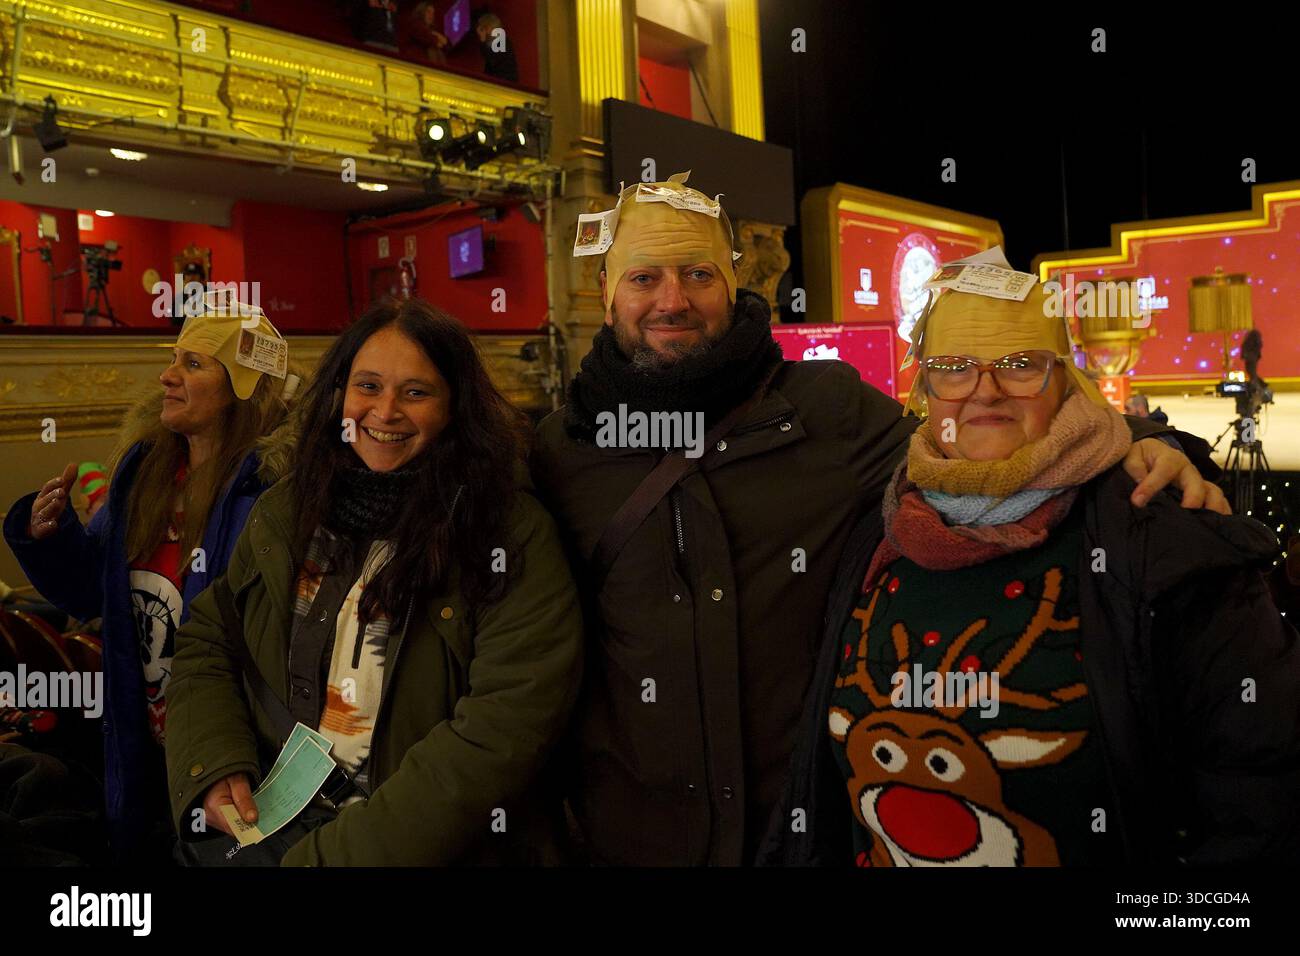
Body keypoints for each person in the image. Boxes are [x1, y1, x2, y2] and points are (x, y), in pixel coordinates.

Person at [530, 174, 1228, 866]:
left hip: (803, 834)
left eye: (698, 274)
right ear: (605, 290)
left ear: (733, 283)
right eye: (644, 278)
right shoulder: (562, 452)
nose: (673, 300)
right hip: (628, 841)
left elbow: (985, 446)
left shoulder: (827, 411)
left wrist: (1146, 442)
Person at [760, 285, 1300, 866]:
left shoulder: (1160, 540)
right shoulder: (878, 530)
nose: (985, 389)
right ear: (923, 390)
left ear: (1065, 381)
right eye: (954, 367)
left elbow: (1267, 800)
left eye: (1021, 365)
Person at [165, 298, 582, 865]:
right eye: (368, 386)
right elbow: (210, 639)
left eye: (416, 392)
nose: (385, 412)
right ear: (340, 394)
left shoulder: (508, 531)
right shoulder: (288, 507)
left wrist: (335, 857)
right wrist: (213, 763)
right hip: (275, 824)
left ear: (455, 407)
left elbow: (503, 730)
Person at [3, 303, 300, 863]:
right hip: (141, 735)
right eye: (174, 359)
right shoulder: (145, 470)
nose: (167, 375)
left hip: (236, 747)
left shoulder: (272, 491)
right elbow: (92, 595)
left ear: (243, 388)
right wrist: (51, 538)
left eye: (194, 364)